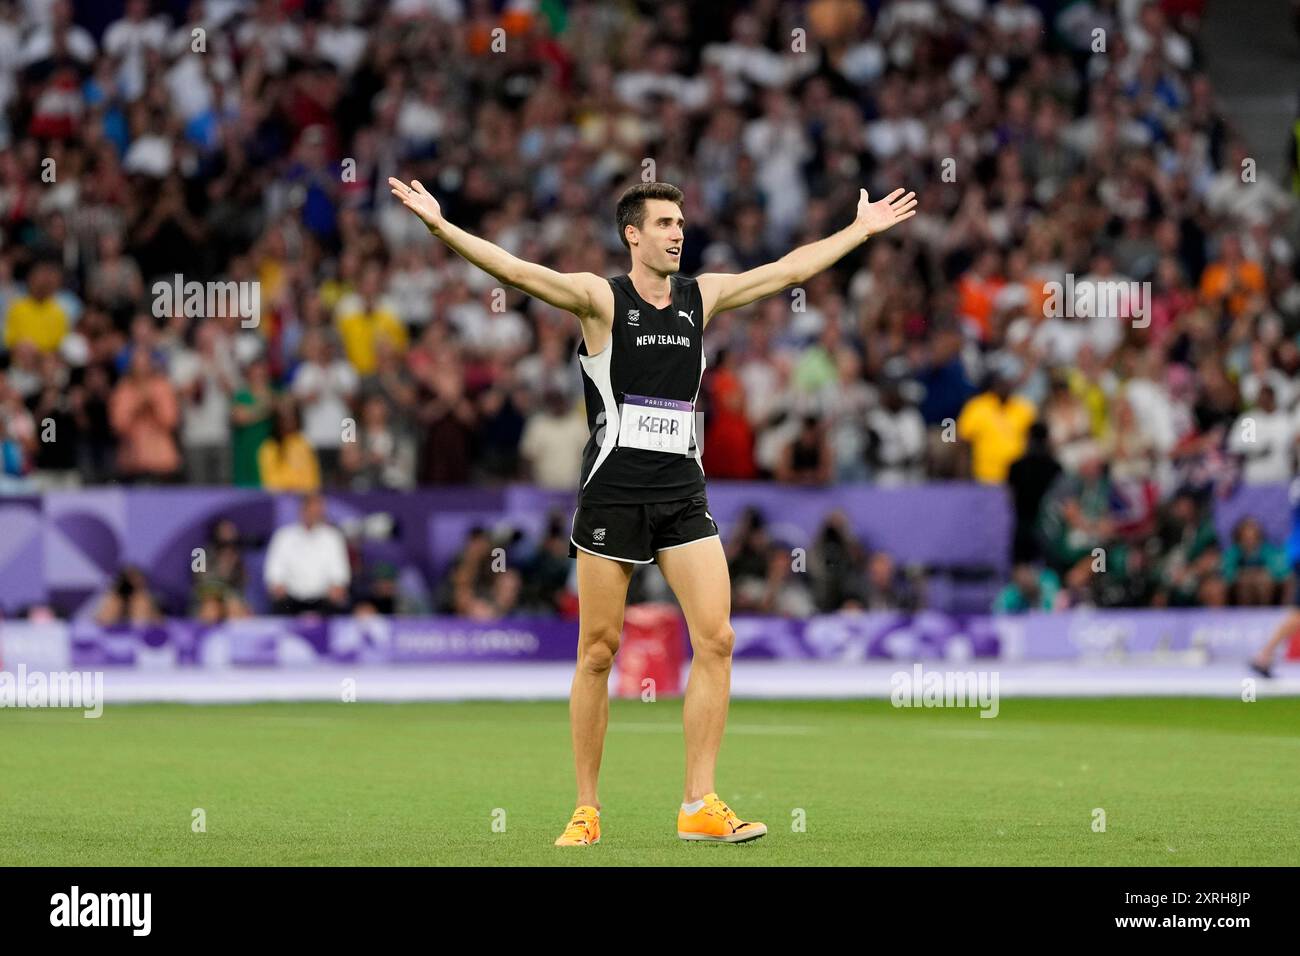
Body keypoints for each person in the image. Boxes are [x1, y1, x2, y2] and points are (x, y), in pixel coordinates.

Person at [391, 174, 917, 846]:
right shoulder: (599, 300)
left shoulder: (703, 297)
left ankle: (699, 802)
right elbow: (516, 270)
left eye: (680, 222)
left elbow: (787, 268)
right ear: (632, 235)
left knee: (718, 638)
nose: (677, 233)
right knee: (598, 653)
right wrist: (442, 226)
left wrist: (859, 231)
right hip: (614, 493)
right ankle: (587, 808)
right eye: (664, 224)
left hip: (682, 493)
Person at [263, 492, 350, 615]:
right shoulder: (284, 536)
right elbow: (274, 570)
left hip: (323, 601)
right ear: (302, 510)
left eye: (319, 510)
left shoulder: (332, 537)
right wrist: (276, 585)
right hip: (290, 600)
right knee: (279, 605)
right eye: (312, 510)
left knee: (339, 603)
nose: (316, 514)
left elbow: (340, 572)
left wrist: (337, 586)